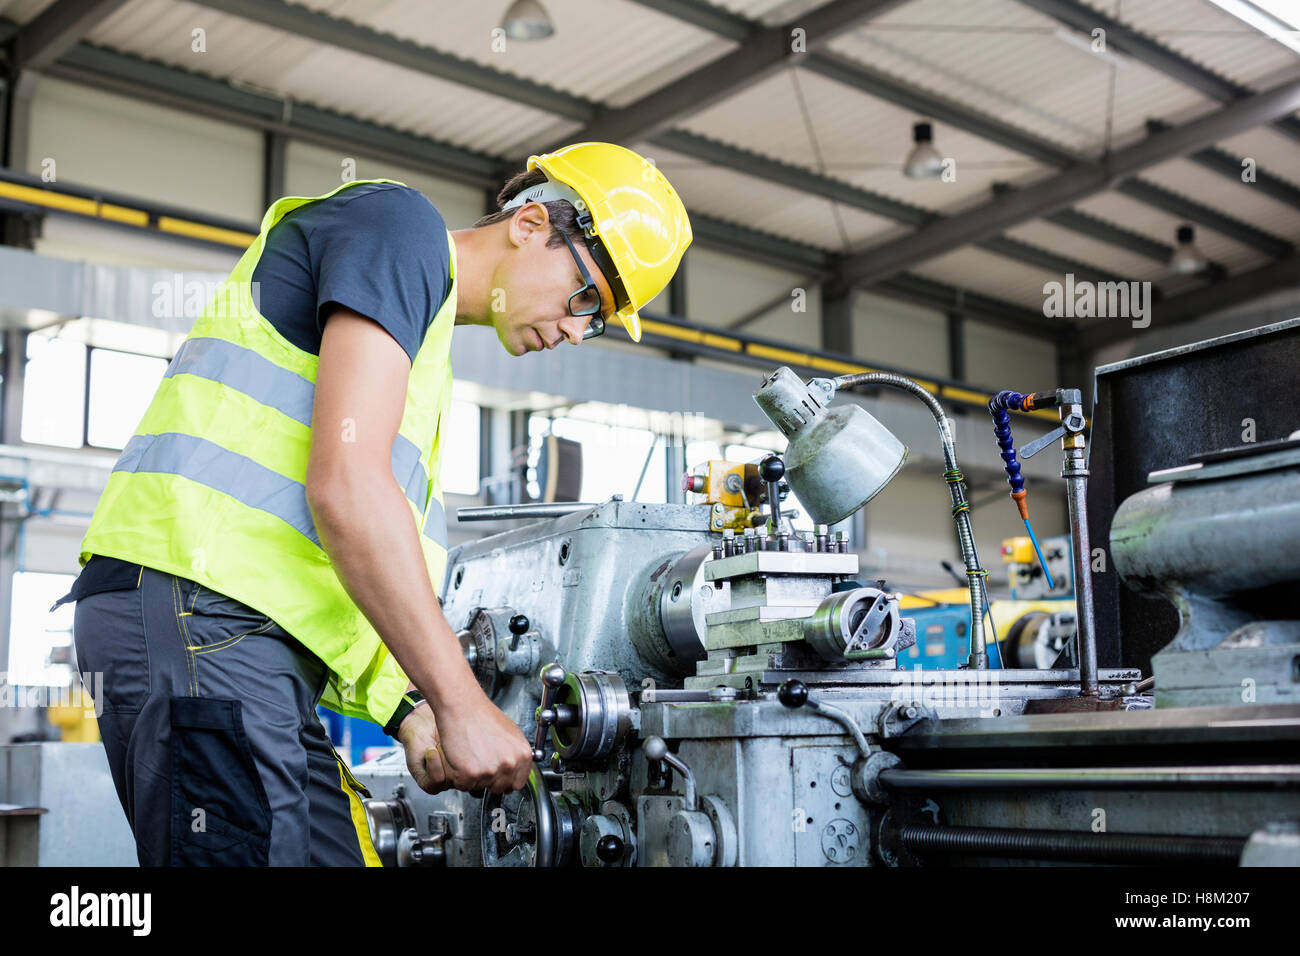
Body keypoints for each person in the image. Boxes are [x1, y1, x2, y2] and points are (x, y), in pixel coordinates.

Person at [55, 142, 692, 865]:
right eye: (586, 298)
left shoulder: (423, 347)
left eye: (598, 320)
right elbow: (346, 491)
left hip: (241, 637)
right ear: (530, 223)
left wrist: (407, 710)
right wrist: (459, 703)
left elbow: (332, 564)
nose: (577, 330)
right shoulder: (400, 227)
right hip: (195, 610)